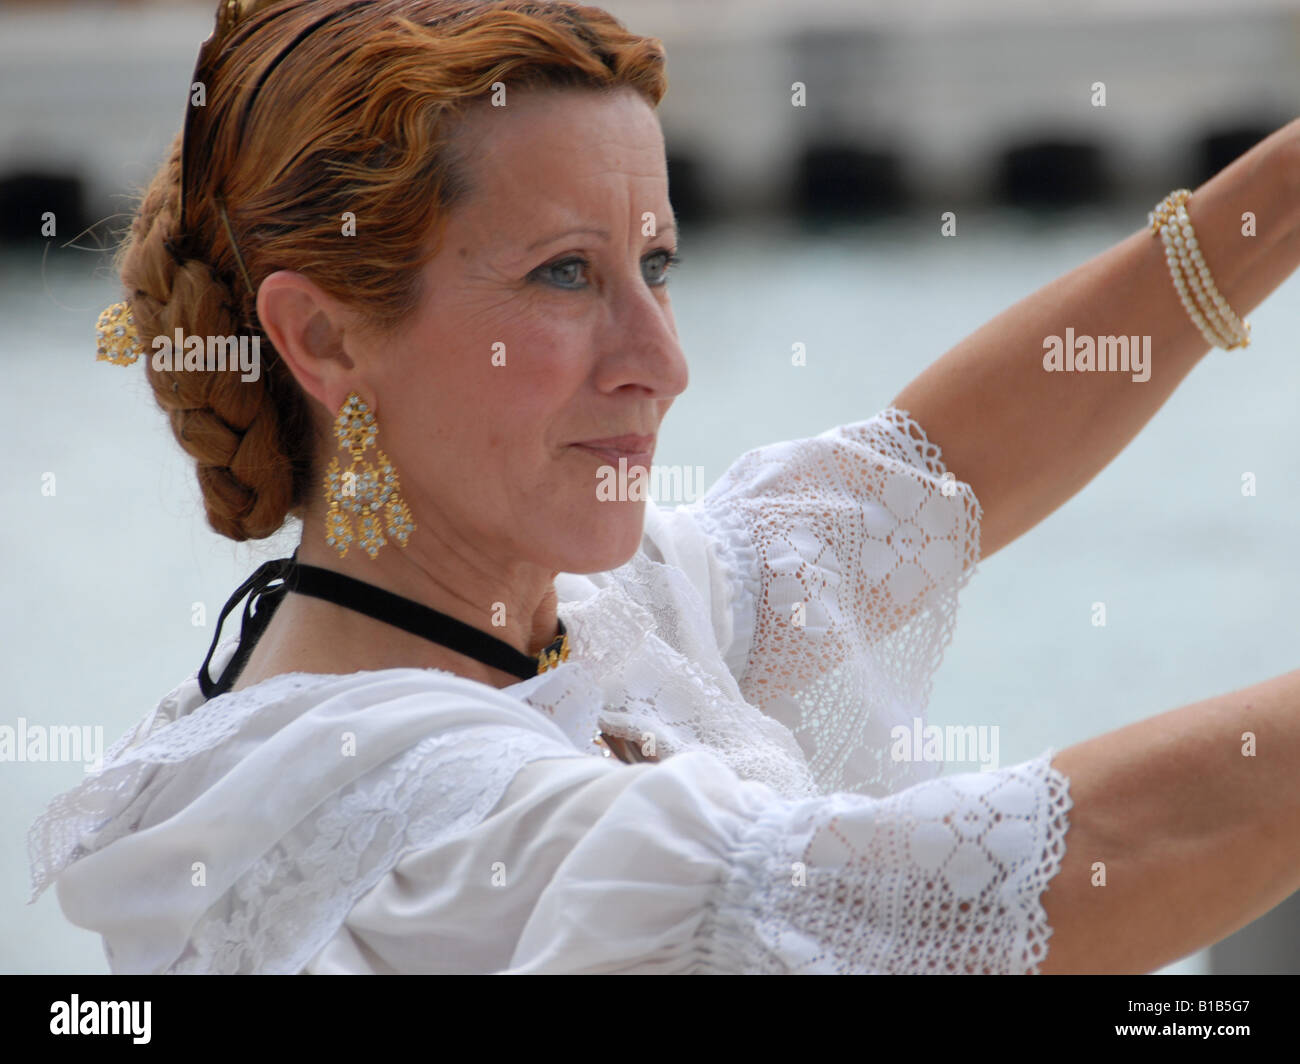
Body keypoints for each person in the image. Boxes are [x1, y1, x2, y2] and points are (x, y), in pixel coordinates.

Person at [26, 0, 1300, 974]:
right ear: (326, 338)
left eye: (657, 263)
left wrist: (1281, 193)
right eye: (565, 277)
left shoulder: (577, 620)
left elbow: (934, 472)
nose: (662, 364)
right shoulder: (383, 814)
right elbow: (995, 882)